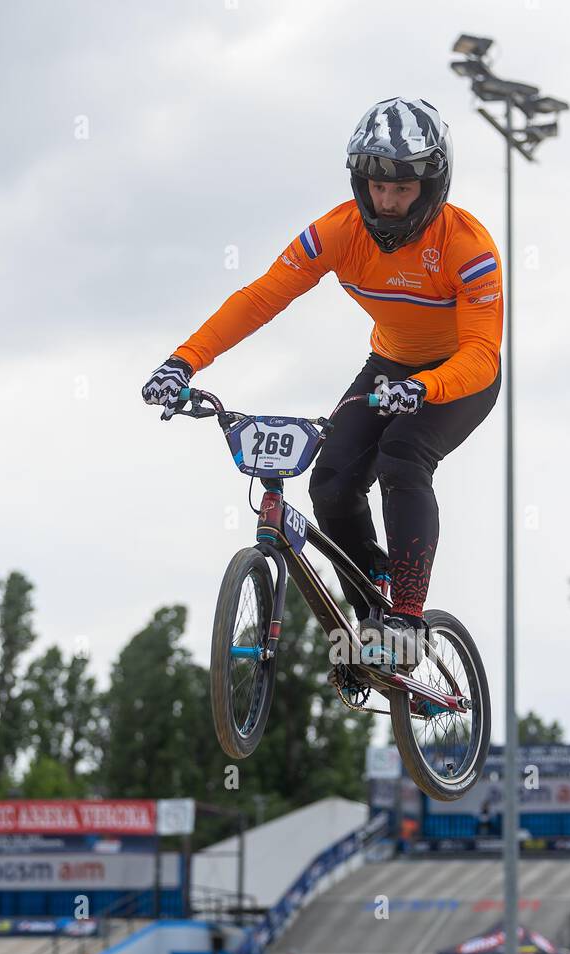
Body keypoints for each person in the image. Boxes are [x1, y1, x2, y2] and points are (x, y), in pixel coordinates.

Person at [142, 98, 502, 674]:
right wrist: (183, 362)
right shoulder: (337, 232)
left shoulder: (468, 246)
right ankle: (370, 608)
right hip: (388, 367)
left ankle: (406, 619)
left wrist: (427, 388)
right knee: (331, 481)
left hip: (458, 377)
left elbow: (483, 354)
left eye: (402, 188)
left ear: (432, 184)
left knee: (403, 457)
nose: (386, 201)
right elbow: (262, 298)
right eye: (375, 186)